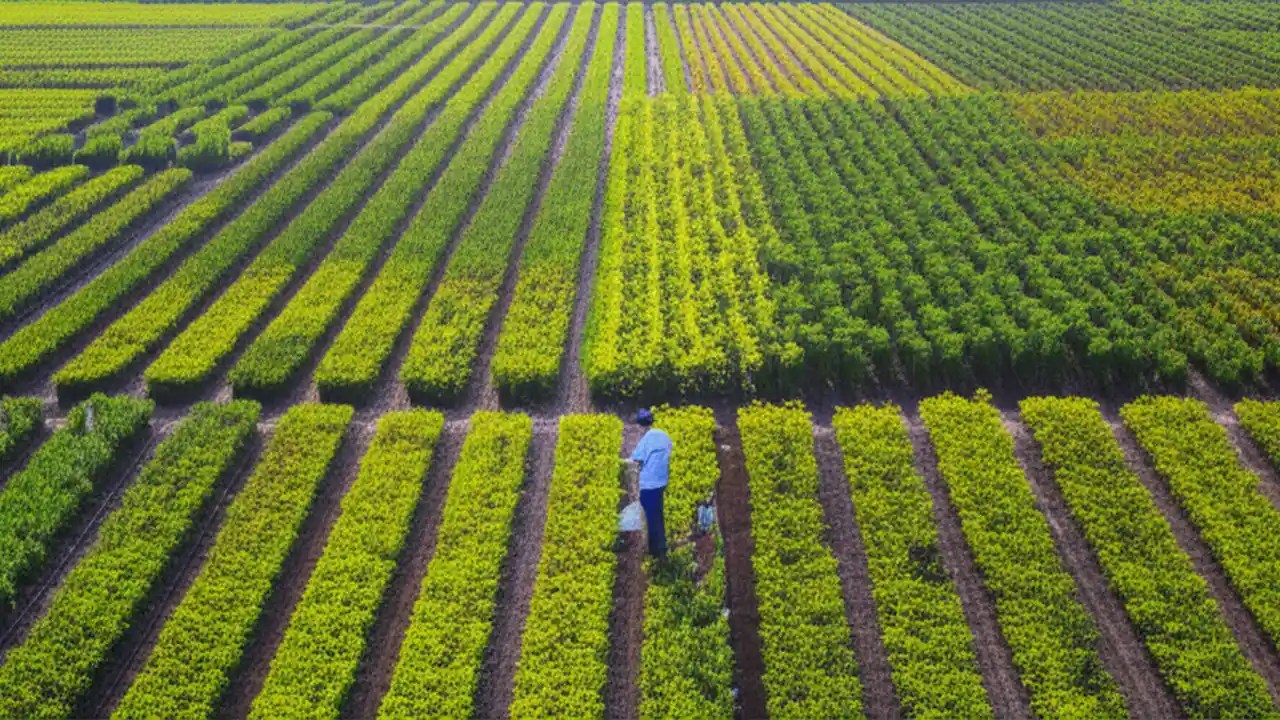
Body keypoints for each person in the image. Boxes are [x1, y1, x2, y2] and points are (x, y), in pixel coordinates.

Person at [630, 408, 671, 558]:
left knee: (650, 517)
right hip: (662, 481)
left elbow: (637, 458)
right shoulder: (664, 435)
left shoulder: (646, 439)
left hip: (648, 484)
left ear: (640, 426)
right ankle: (660, 546)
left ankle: (656, 551)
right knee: (658, 514)